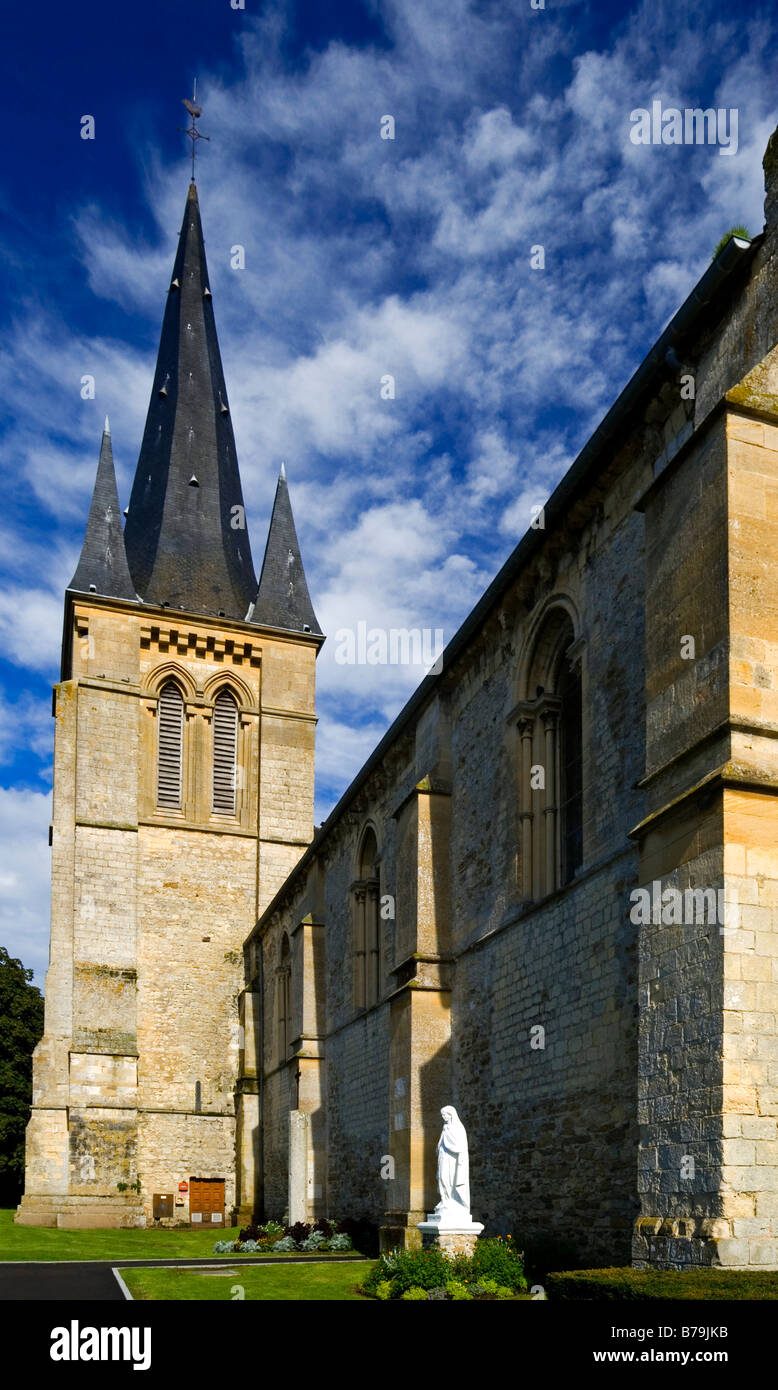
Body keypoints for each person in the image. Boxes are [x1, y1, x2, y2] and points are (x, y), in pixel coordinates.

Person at [435, 1105, 470, 1213]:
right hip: (443, 1158)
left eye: (444, 1114)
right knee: (442, 1178)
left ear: (451, 1115)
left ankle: (453, 1200)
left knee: (450, 1179)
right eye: (442, 1115)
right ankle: (445, 1199)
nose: (443, 1117)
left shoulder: (458, 1128)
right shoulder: (445, 1128)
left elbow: (460, 1146)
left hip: (453, 1160)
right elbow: (440, 1144)